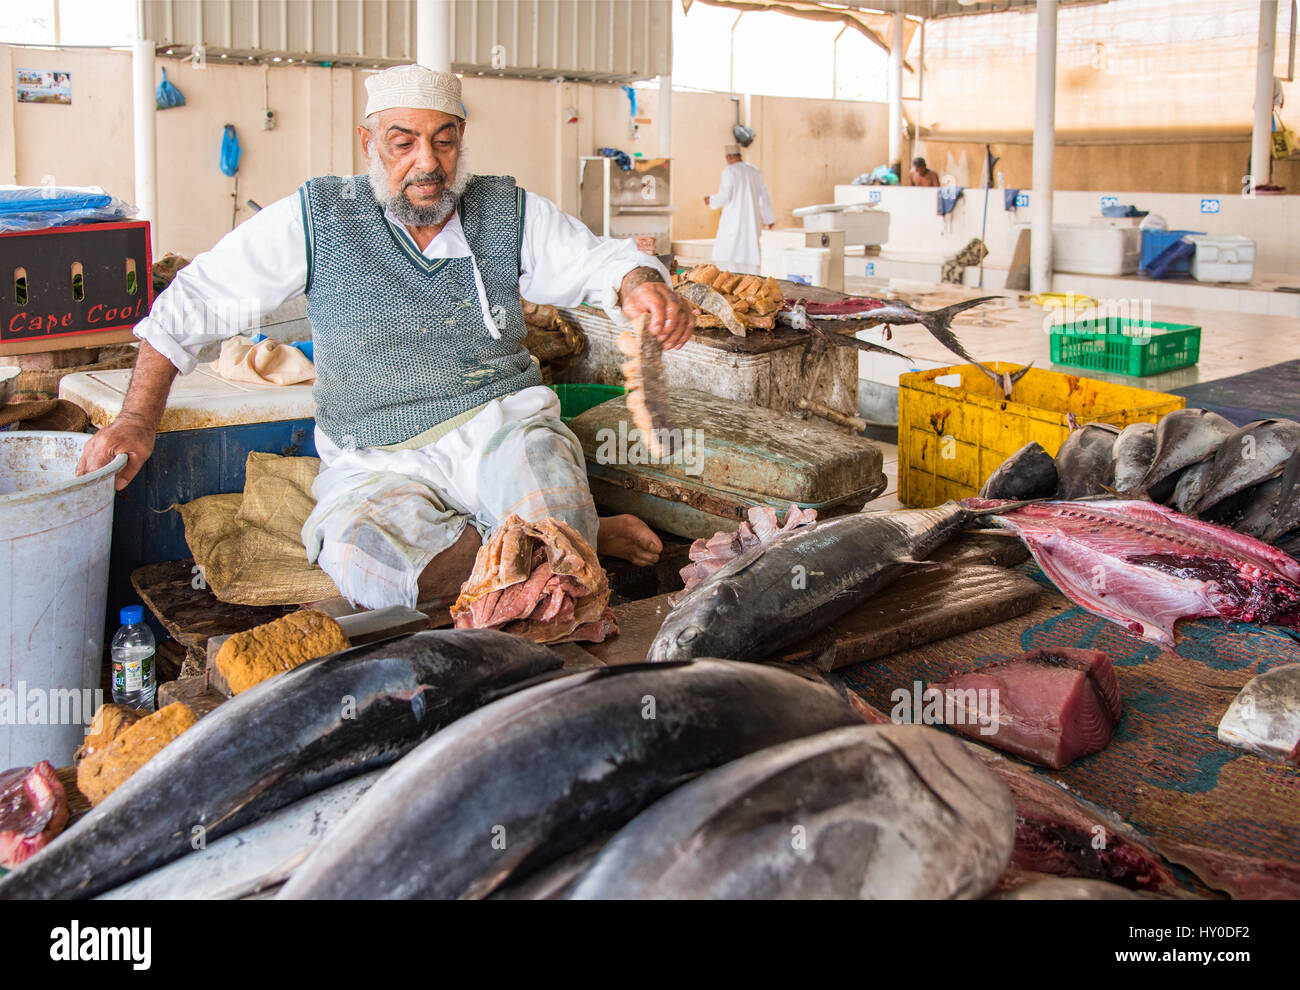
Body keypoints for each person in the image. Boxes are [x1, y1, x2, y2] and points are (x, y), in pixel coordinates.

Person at [76, 64, 694, 611]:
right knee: (372, 565)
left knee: (546, 481)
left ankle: (555, 534)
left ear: (460, 142)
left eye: (444, 141)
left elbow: (600, 263)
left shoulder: (507, 210)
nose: (427, 163)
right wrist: (138, 416)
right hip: (377, 459)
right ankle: (568, 536)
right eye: (404, 143)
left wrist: (643, 284)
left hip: (500, 430)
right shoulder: (319, 217)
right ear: (369, 144)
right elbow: (197, 298)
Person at [703, 144, 774, 275]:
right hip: (751, 221)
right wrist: (769, 218)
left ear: (729, 157)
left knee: (729, 257)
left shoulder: (729, 171)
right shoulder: (755, 172)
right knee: (750, 254)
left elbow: (725, 196)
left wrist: (711, 200)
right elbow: (764, 197)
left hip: (733, 221)